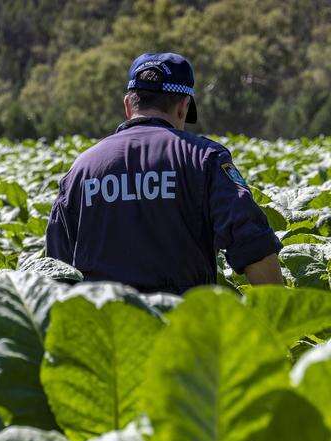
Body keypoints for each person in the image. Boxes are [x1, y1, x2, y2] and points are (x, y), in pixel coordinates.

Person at [46, 52, 283, 293]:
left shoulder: (82, 168)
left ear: (128, 105)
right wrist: (283, 324)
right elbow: (252, 243)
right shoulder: (205, 159)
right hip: (180, 325)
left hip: (106, 324)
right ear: (183, 107)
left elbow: (57, 269)